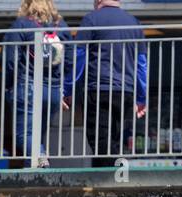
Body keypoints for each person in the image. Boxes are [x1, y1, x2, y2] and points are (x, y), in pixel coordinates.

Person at [61, 0, 147, 167]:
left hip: (99, 89)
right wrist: (141, 98)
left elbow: (79, 56)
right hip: (126, 92)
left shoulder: (91, 19)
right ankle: (109, 181)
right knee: (113, 140)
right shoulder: (134, 22)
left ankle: (114, 176)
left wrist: (68, 88)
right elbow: (141, 63)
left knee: (99, 140)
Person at [2, 0, 72, 167]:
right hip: (53, 90)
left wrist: (9, 85)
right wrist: (63, 89)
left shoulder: (22, 24)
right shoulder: (61, 27)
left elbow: (10, 59)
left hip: (28, 87)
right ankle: (34, 173)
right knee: (37, 134)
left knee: (24, 134)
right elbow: (70, 60)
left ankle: (39, 156)